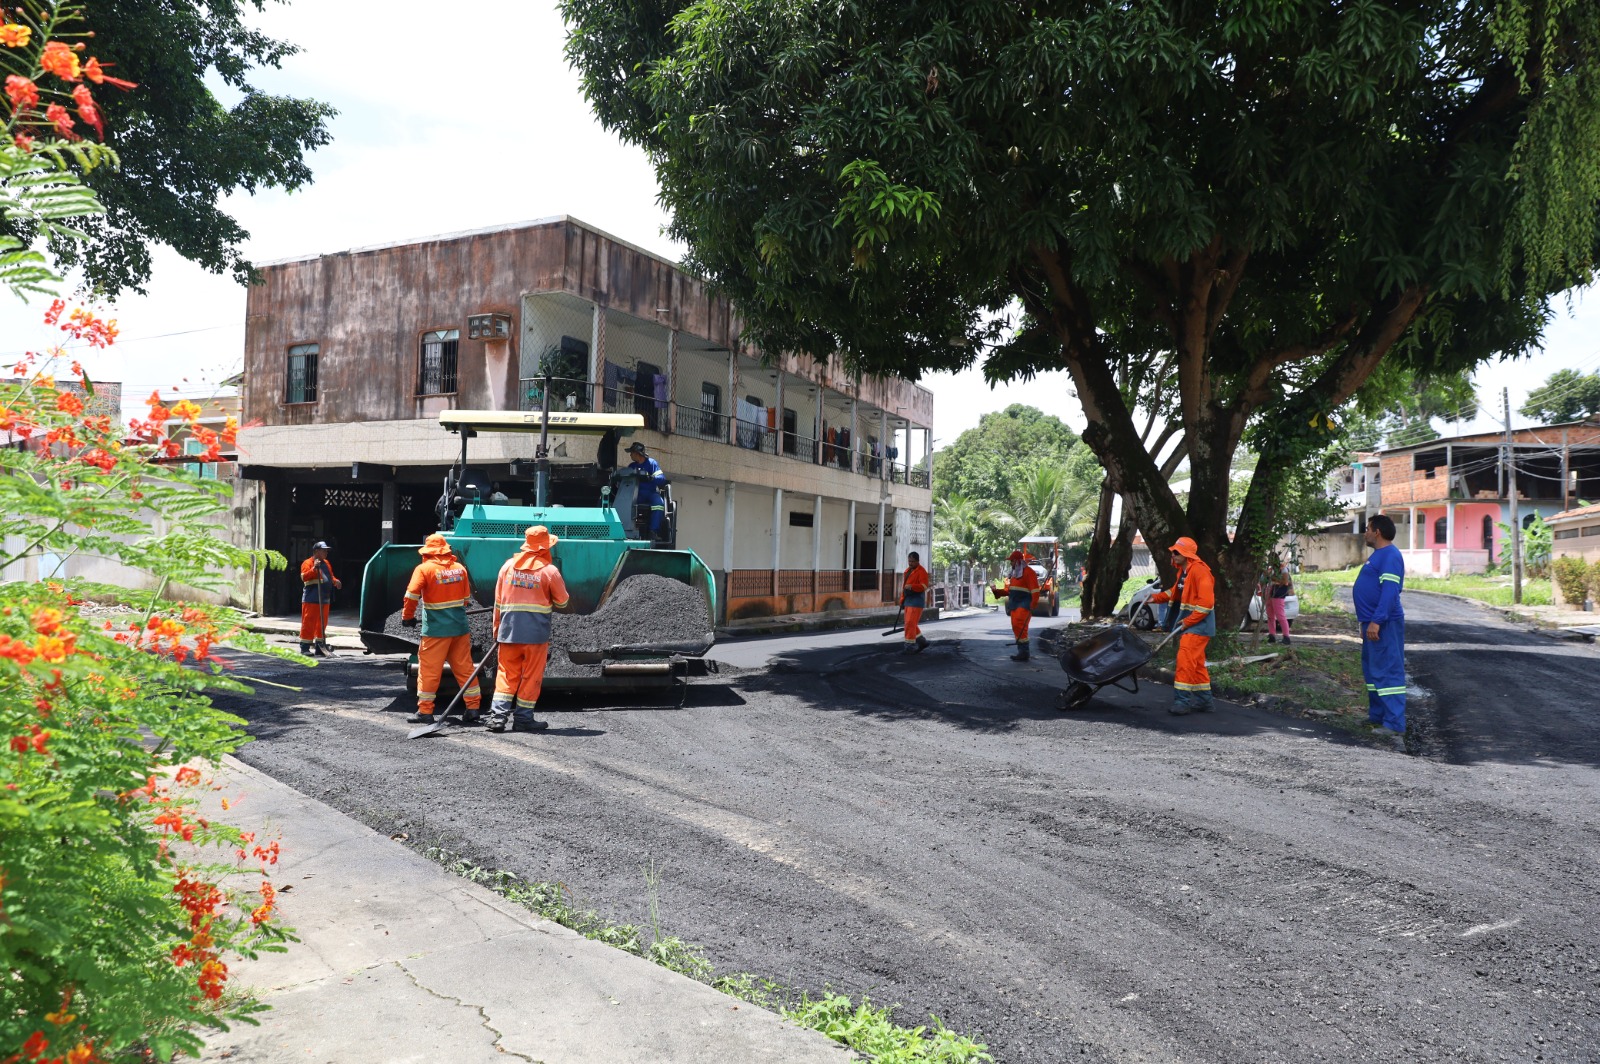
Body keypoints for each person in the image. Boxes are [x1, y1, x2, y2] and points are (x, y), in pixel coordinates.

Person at [489, 525, 571, 734]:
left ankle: (497, 718)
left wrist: (496, 630)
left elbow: (498, 603)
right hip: (536, 636)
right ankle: (523, 719)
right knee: (531, 676)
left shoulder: (506, 567)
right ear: (545, 548)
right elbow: (562, 603)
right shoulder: (550, 571)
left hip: (508, 632)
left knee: (506, 674)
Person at [400, 533, 483, 725]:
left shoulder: (424, 569)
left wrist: (407, 617)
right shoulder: (459, 569)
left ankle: (426, 712)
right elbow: (465, 599)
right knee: (465, 669)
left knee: (429, 670)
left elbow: (411, 595)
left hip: (436, 631)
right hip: (460, 629)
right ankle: (473, 708)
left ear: (428, 551)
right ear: (446, 550)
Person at [1354, 514, 1406, 745]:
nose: (1364, 533)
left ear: (1377, 531)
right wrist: (1365, 622)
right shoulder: (1379, 555)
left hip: (1384, 624)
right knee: (1373, 671)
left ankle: (1394, 725)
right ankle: (1377, 716)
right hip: (1371, 623)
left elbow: (1390, 592)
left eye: (1367, 529)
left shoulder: (1390, 556)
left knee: (1388, 671)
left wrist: (1377, 621)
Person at [1149, 536, 1216, 715]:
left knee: (1185, 662)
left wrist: (1188, 621)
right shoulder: (1184, 572)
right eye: (1173, 551)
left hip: (1198, 626)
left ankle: (1182, 702)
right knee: (1197, 664)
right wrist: (1156, 598)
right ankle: (1204, 701)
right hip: (1192, 625)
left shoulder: (1200, 572)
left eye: (1177, 552)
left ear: (1186, 554)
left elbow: (1206, 604)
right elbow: (1175, 591)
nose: (1173, 554)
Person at [298, 541, 340, 657]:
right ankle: (305, 647)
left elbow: (330, 576)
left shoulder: (326, 563)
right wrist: (314, 569)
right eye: (324, 550)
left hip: (325, 598)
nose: (326, 552)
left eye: (327, 550)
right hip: (311, 598)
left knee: (322, 624)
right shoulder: (308, 563)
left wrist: (335, 581)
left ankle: (320, 646)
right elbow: (304, 577)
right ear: (316, 551)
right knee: (309, 622)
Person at [997, 549, 1039, 661]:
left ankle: (1024, 652)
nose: (1010, 563)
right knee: (1016, 626)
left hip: (1024, 603)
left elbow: (1035, 590)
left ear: (1017, 561)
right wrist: (998, 592)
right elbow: (1009, 590)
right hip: (1014, 604)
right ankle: (1022, 651)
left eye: (1011, 561)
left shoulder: (1029, 572)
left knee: (1021, 626)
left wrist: (1033, 604)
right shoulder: (1014, 574)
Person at [625, 441, 667, 539]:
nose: (630, 455)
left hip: (651, 493)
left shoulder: (652, 463)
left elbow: (661, 478)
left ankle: (653, 531)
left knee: (659, 504)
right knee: (626, 503)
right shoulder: (632, 466)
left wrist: (651, 478)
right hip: (636, 494)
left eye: (631, 452)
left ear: (637, 453)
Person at [1261, 551, 1293, 645]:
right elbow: (1263, 581)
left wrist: (1271, 578)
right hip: (1269, 592)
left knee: (1280, 616)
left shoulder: (1282, 568)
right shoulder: (1270, 570)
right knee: (1270, 616)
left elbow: (1285, 581)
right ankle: (1272, 636)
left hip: (1278, 593)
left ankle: (1286, 637)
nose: (1270, 561)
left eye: (1271, 559)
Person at [900, 552, 930, 654]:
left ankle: (909, 646)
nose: (910, 563)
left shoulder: (922, 572)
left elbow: (924, 586)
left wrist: (912, 586)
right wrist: (902, 600)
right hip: (908, 600)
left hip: (917, 601)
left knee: (910, 623)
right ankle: (922, 642)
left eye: (913, 561)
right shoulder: (907, 571)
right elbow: (904, 587)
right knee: (910, 623)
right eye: (909, 561)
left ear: (918, 561)